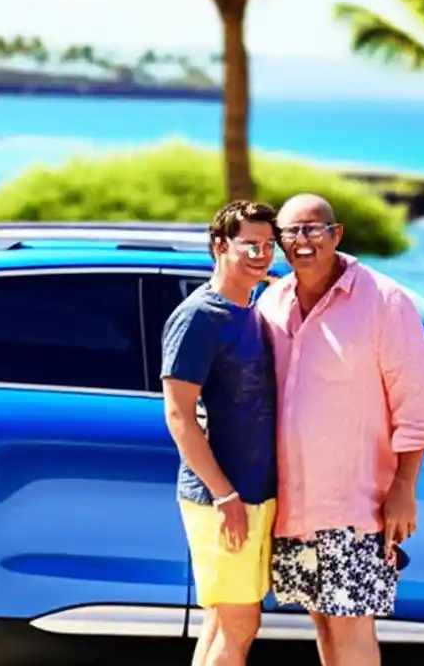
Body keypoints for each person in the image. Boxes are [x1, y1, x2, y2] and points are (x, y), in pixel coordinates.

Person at [256, 193, 424, 666]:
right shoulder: (273, 302)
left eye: (312, 229)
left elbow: (418, 400)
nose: (301, 241)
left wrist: (404, 487)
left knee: (351, 624)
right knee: (322, 619)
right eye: (291, 232)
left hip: (356, 504)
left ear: (336, 234)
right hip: (295, 504)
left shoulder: (383, 300)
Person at [161, 200, 280, 666]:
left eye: (269, 245)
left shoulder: (252, 310)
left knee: (220, 620)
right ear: (219, 246)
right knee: (239, 622)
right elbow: (178, 416)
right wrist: (225, 496)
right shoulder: (198, 317)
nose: (261, 254)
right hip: (222, 499)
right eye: (249, 244)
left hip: (253, 493)